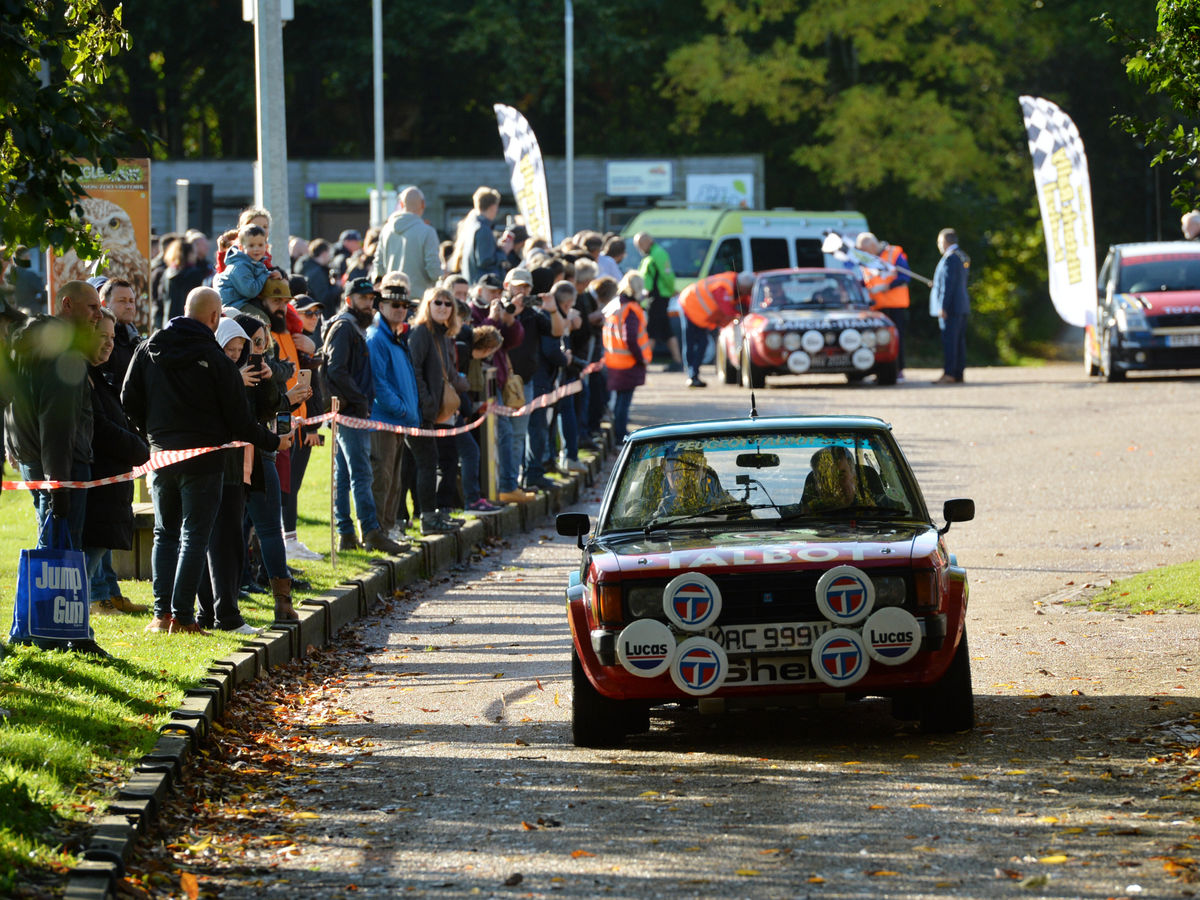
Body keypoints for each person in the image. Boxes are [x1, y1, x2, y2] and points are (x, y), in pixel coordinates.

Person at [121, 287, 287, 635]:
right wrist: (274, 440)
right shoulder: (214, 359)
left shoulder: (148, 348)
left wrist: (152, 433)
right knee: (194, 536)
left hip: (163, 454)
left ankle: (159, 614)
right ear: (215, 318)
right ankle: (182, 617)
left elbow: (127, 397)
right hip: (205, 459)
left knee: (165, 533)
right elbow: (240, 420)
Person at [5, 281, 105, 654]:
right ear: (68, 305)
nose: (97, 315)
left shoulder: (28, 340)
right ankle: (58, 634)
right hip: (60, 465)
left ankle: (54, 631)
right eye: (92, 307)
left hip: (36, 459)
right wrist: (58, 482)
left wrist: (13, 446)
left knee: (54, 550)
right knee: (62, 554)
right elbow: (57, 421)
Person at [323, 278, 408, 553]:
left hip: (350, 411)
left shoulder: (354, 327)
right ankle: (370, 532)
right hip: (350, 413)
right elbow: (336, 369)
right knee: (361, 473)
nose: (369, 304)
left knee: (345, 474)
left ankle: (347, 535)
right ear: (349, 300)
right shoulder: (345, 327)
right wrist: (360, 398)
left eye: (372, 299)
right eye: (363, 299)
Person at [197, 316, 266, 635]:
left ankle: (222, 609)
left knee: (231, 540)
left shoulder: (243, 371)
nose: (236, 355)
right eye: (230, 349)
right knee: (216, 541)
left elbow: (261, 412)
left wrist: (267, 382)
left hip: (241, 468)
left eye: (241, 349)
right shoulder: (212, 371)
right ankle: (218, 612)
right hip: (215, 467)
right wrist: (234, 382)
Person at [83, 308, 150, 619]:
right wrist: (138, 448)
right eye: (103, 336)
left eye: (112, 337)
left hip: (112, 481)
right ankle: (82, 614)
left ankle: (99, 599)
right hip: (97, 480)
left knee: (96, 552)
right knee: (87, 559)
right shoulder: (83, 376)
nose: (110, 343)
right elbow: (100, 429)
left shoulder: (99, 375)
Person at [407, 286, 469, 534]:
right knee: (425, 462)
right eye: (437, 302)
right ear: (427, 305)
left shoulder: (442, 335)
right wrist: (428, 403)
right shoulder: (421, 332)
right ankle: (426, 519)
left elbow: (448, 372)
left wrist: (463, 384)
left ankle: (430, 516)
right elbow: (415, 370)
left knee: (428, 462)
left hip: (431, 411)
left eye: (447, 303)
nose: (443, 307)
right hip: (421, 411)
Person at [366, 274, 421, 541]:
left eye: (404, 306)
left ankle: (388, 528)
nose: (400, 310)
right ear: (381, 305)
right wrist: (400, 409)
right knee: (382, 478)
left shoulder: (396, 337)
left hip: (398, 419)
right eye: (394, 305)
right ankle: (378, 531)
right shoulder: (377, 337)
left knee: (394, 480)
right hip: (384, 419)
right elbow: (379, 382)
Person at [678, 271, 754, 388]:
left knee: (702, 343)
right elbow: (727, 312)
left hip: (701, 313)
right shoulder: (723, 287)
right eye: (747, 291)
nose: (747, 294)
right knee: (692, 343)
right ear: (743, 287)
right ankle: (692, 374)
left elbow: (746, 305)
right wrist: (740, 315)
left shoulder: (737, 286)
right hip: (689, 304)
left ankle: (693, 374)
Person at [603, 272, 651, 443]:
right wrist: (640, 358)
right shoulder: (630, 309)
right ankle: (620, 436)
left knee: (620, 402)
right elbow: (630, 337)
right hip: (628, 362)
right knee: (624, 403)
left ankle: (618, 434)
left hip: (614, 360)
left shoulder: (615, 305)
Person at [856, 232, 912, 381]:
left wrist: (886, 287)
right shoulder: (869, 259)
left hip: (895, 305)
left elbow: (905, 277)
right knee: (877, 341)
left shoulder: (894, 253)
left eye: (864, 249)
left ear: (872, 245)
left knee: (896, 339)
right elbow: (869, 279)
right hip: (877, 307)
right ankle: (880, 372)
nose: (863, 253)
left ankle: (898, 370)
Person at [374, 187, 443, 297]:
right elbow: (434, 272)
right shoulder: (427, 232)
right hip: (418, 298)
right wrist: (443, 275)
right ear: (423, 204)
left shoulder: (386, 230)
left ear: (401, 204)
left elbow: (379, 267)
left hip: (391, 298)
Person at [634, 232, 681, 371]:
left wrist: (671, 289)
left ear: (647, 242)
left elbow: (667, 275)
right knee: (666, 330)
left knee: (652, 330)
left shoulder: (658, 254)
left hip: (658, 297)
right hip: (654, 297)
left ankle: (644, 362)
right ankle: (677, 361)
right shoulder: (651, 255)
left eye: (640, 245)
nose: (639, 249)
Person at [929, 228, 970, 384]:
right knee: (959, 342)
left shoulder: (950, 258)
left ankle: (950, 373)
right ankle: (958, 373)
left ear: (945, 242)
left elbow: (949, 285)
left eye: (939, 242)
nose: (939, 245)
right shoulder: (962, 256)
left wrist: (942, 306)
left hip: (951, 307)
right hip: (961, 305)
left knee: (950, 342)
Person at [213, 224, 282, 310]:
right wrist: (266, 275)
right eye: (251, 245)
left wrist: (272, 275)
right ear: (241, 248)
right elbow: (251, 291)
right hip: (233, 304)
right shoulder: (239, 266)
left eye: (260, 245)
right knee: (262, 319)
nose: (256, 249)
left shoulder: (256, 263)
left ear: (266, 247)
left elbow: (260, 277)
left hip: (243, 301)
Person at [650, 447, 732, 518]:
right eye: (677, 466)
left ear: (703, 469)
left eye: (691, 466)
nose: (684, 474)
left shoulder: (720, 504)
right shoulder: (648, 505)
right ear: (663, 466)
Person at [453, 186, 512, 282]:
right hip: (484, 286)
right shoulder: (483, 229)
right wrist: (503, 252)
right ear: (493, 206)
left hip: (474, 282)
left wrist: (498, 248)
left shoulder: (471, 226)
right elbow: (485, 260)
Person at [294, 238, 340, 319]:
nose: (330, 256)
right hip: (317, 317)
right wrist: (336, 286)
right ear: (324, 253)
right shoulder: (316, 273)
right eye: (329, 253)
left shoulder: (308, 267)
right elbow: (323, 298)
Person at [5, 246, 47, 317]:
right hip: (31, 316)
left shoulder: (6, 277)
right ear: (26, 258)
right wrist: (37, 300)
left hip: (10, 317)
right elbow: (45, 296)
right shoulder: (30, 276)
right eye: (29, 257)